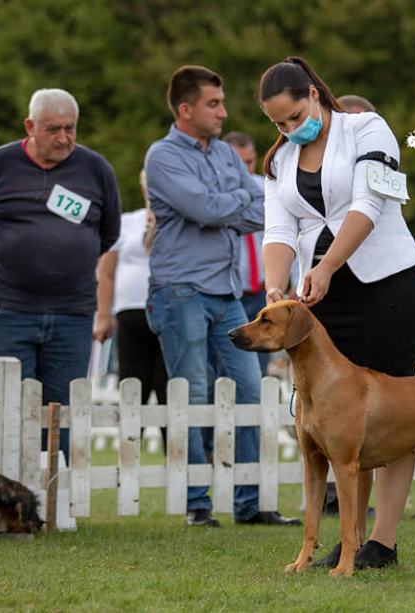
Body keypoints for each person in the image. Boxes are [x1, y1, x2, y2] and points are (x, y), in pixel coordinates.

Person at [259, 56, 415, 568]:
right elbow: (279, 232)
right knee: (341, 420)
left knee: (395, 412)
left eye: (293, 117)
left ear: (313, 93)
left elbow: (369, 205)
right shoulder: (279, 161)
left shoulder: (367, 128)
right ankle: (349, 540)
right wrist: (273, 286)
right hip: (324, 300)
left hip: (388, 285)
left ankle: (384, 541)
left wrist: (328, 265)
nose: (288, 130)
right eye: (278, 124)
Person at [144, 64, 300, 528]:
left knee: (251, 391)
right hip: (180, 292)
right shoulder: (162, 156)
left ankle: (252, 505)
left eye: (222, 101)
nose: (223, 112)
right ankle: (197, 505)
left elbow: (264, 209)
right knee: (191, 395)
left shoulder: (226, 155)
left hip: (229, 294)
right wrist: (232, 200)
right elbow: (205, 208)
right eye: (214, 104)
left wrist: (224, 203)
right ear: (185, 108)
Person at [0, 88, 121, 463]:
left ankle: (53, 503)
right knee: (4, 409)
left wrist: (65, 260)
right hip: (8, 309)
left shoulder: (95, 169)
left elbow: (109, 233)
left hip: (72, 312)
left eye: (71, 128)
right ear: (30, 126)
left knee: (59, 410)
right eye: (54, 129)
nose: (65, 138)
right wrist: (17, 259)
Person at [93, 170, 167, 415]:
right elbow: (106, 272)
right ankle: (130, 446)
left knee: (168, 385)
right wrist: (104, 316)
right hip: (131, 314)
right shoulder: (126, 223)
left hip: (169, 313)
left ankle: (175, 451)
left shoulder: (179, 223)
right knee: (133, 384)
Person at [223, 131, 271, 375]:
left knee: (259, 364)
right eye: (239, 163)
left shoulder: (267, 188)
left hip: (260, 289)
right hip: (231, 289)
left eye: (250, 162)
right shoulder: (219, 194)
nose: (246, 169)